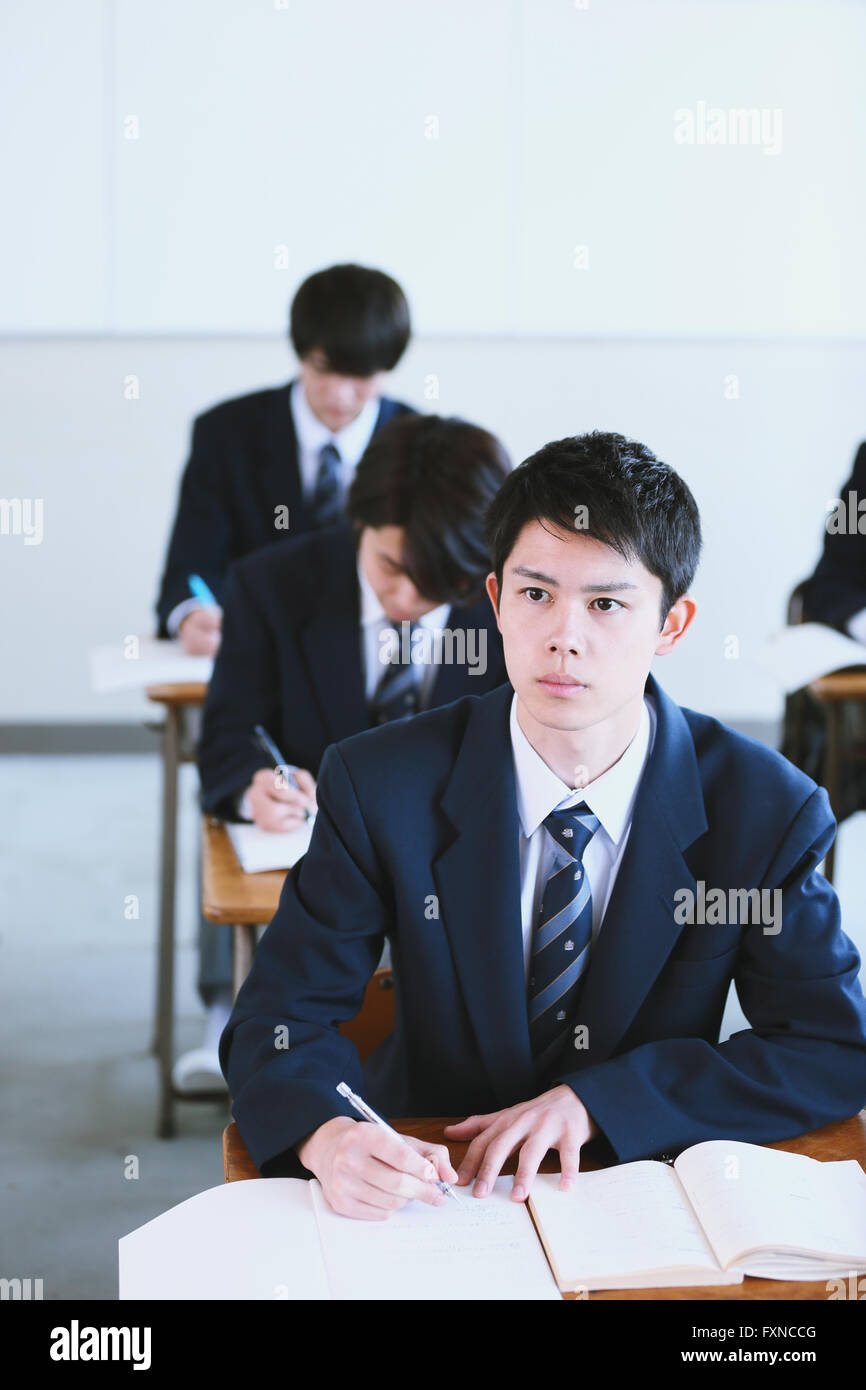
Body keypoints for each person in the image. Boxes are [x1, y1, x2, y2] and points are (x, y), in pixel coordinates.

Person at [220, 431, 866, 1220]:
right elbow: (277, 1019)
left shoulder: (765, 809)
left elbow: (829, 1048)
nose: (564, 635)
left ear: (671, 625)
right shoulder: (378, 781)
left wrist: (604, 1101)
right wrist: (327, 1133)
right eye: (535, 595)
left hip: (631, 1187)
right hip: (429, 1183)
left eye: (606, 604)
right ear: (493, 600)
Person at [174, 414, 512, 1091]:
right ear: (359, 521)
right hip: (313, 864)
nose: (407, 598)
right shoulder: (272, 584)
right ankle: (236, 1019)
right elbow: (226, 736)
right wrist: (256, 782)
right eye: (391, 567)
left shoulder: (509, 609)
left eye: (437, 581)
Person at [155, 263, 414, 654]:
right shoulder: (225, 434)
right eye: (324, 370)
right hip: (256, 654)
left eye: (360, 376)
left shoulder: (420, 445)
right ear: (301, 353)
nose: (340, 395)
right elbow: (189, 569)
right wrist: (193, 615)